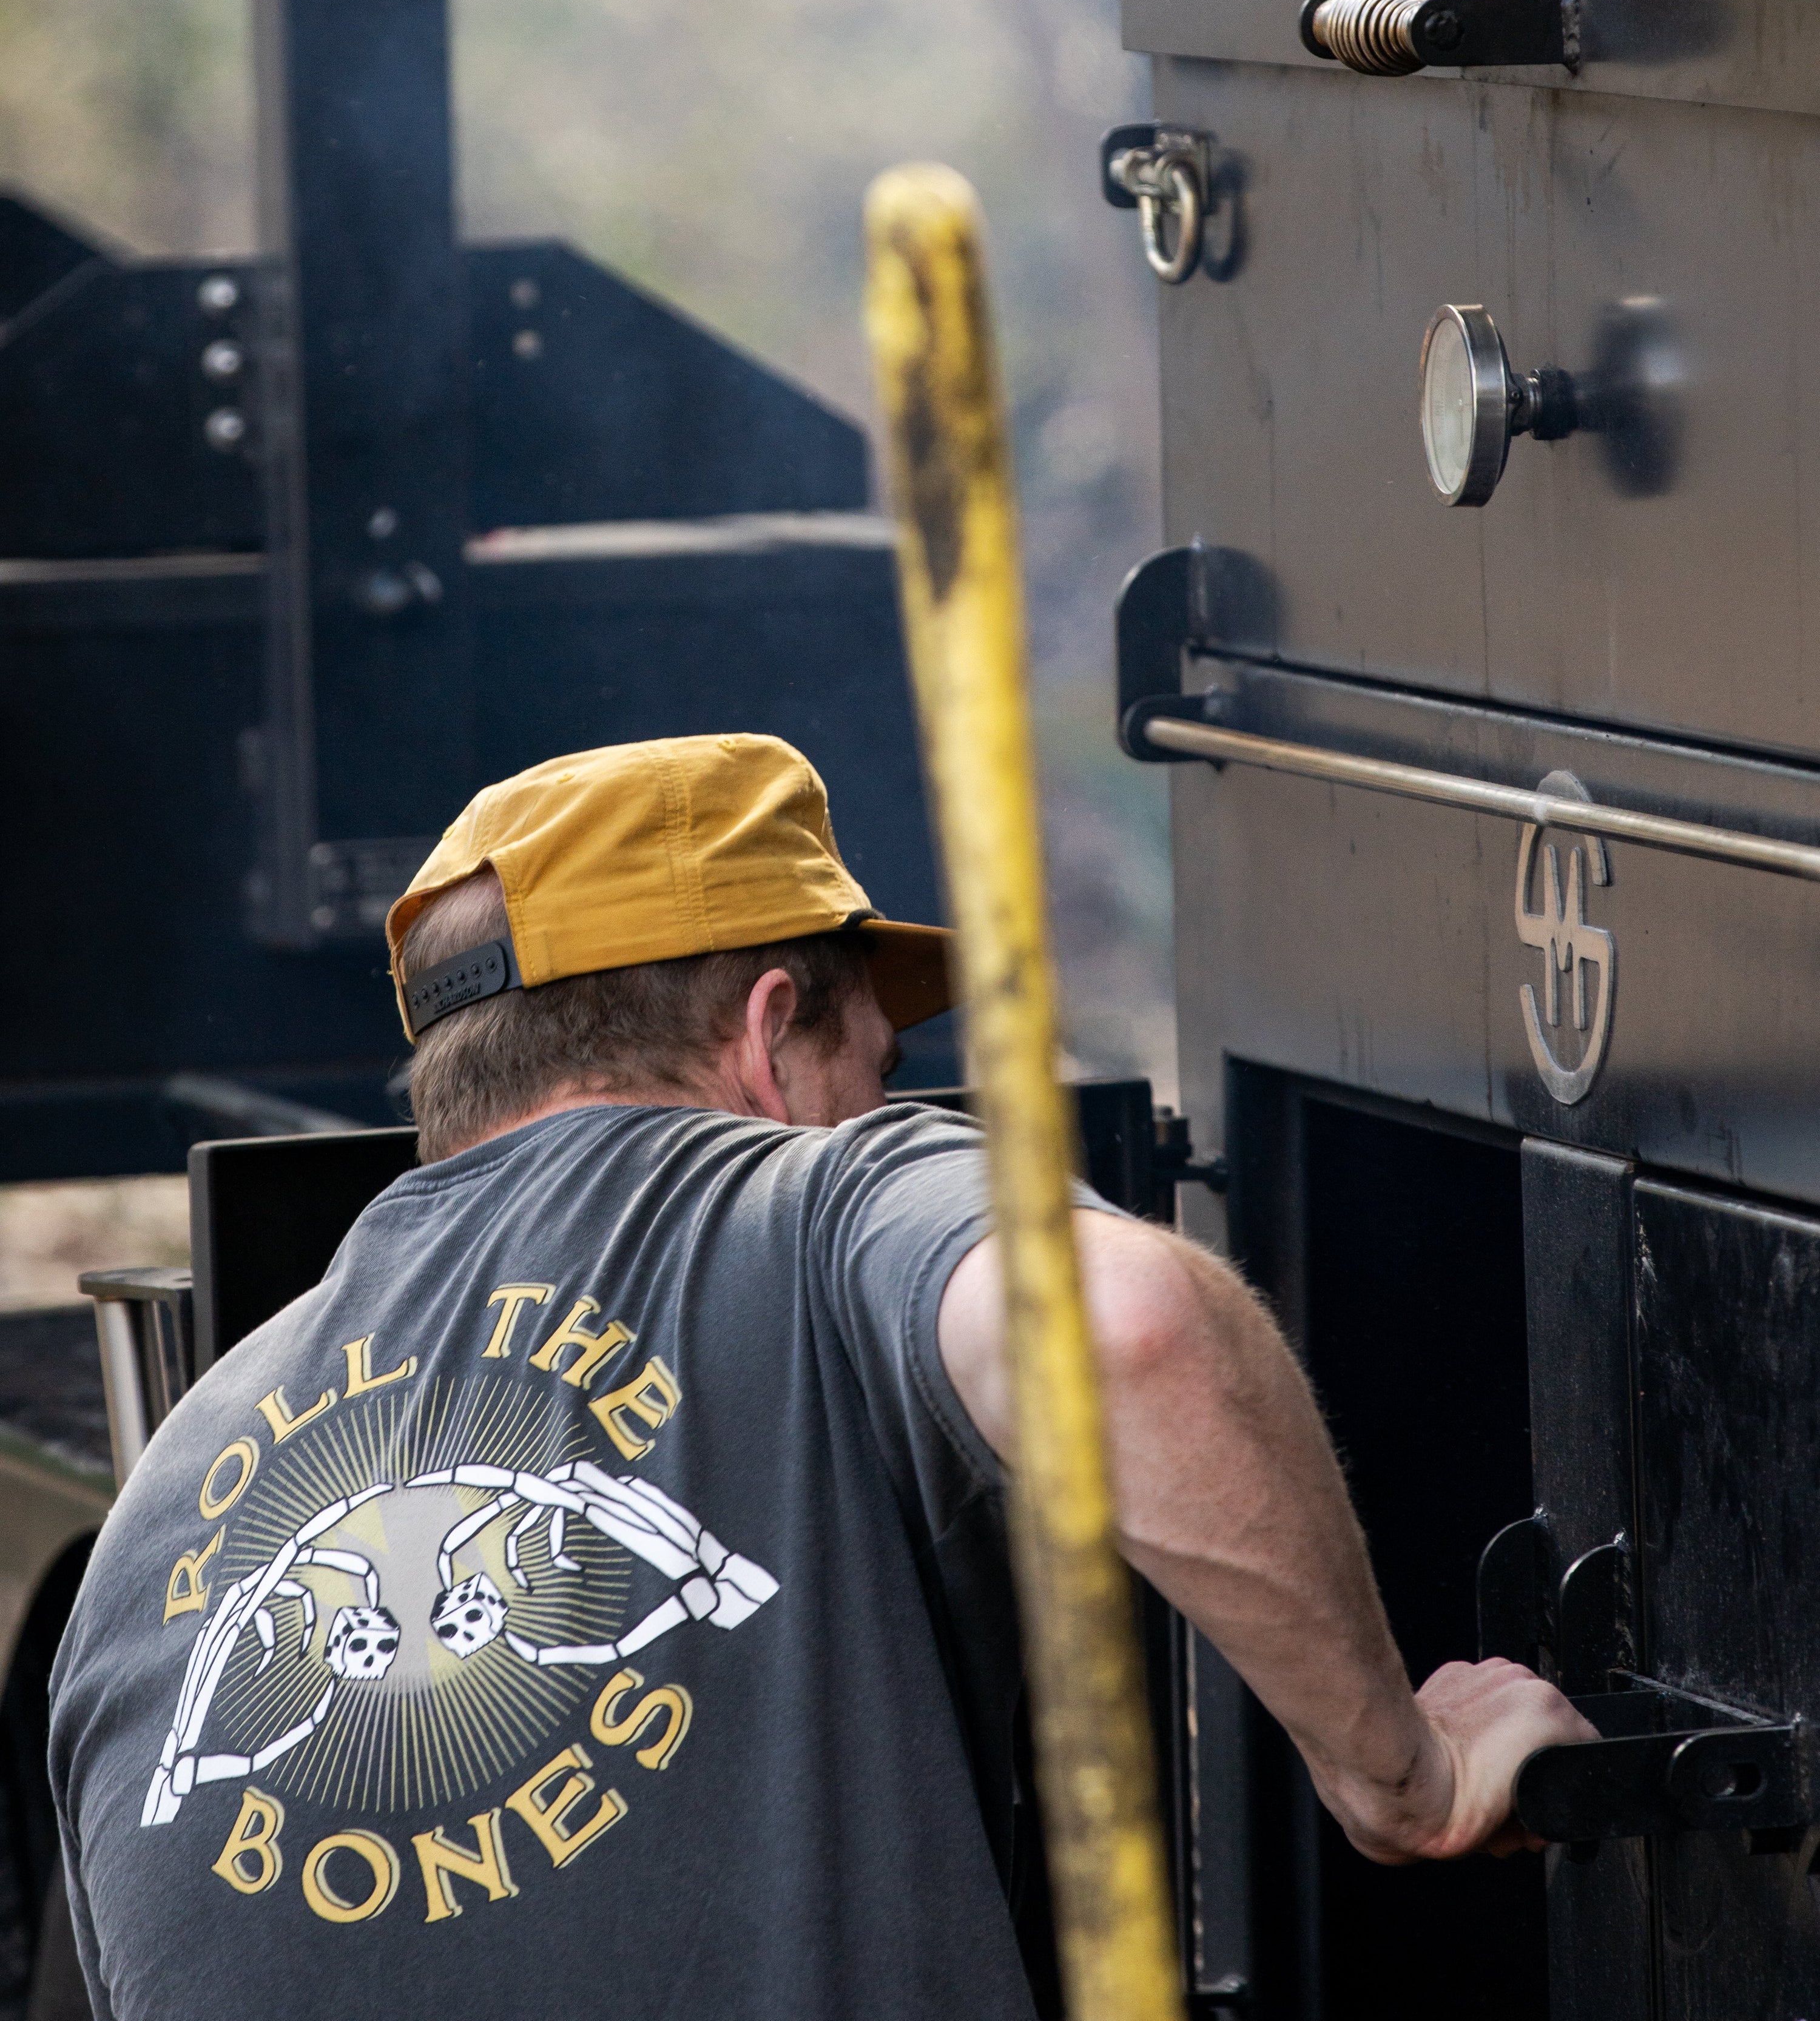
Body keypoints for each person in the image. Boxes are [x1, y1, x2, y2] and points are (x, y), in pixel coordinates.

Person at [49, 732, 1593, 2020]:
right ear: (773, 1034)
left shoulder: (166, 1496)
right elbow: (1121, 1324)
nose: (882, 1098)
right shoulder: (817, 1199)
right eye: (880, 1063)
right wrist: (1403, 1771)